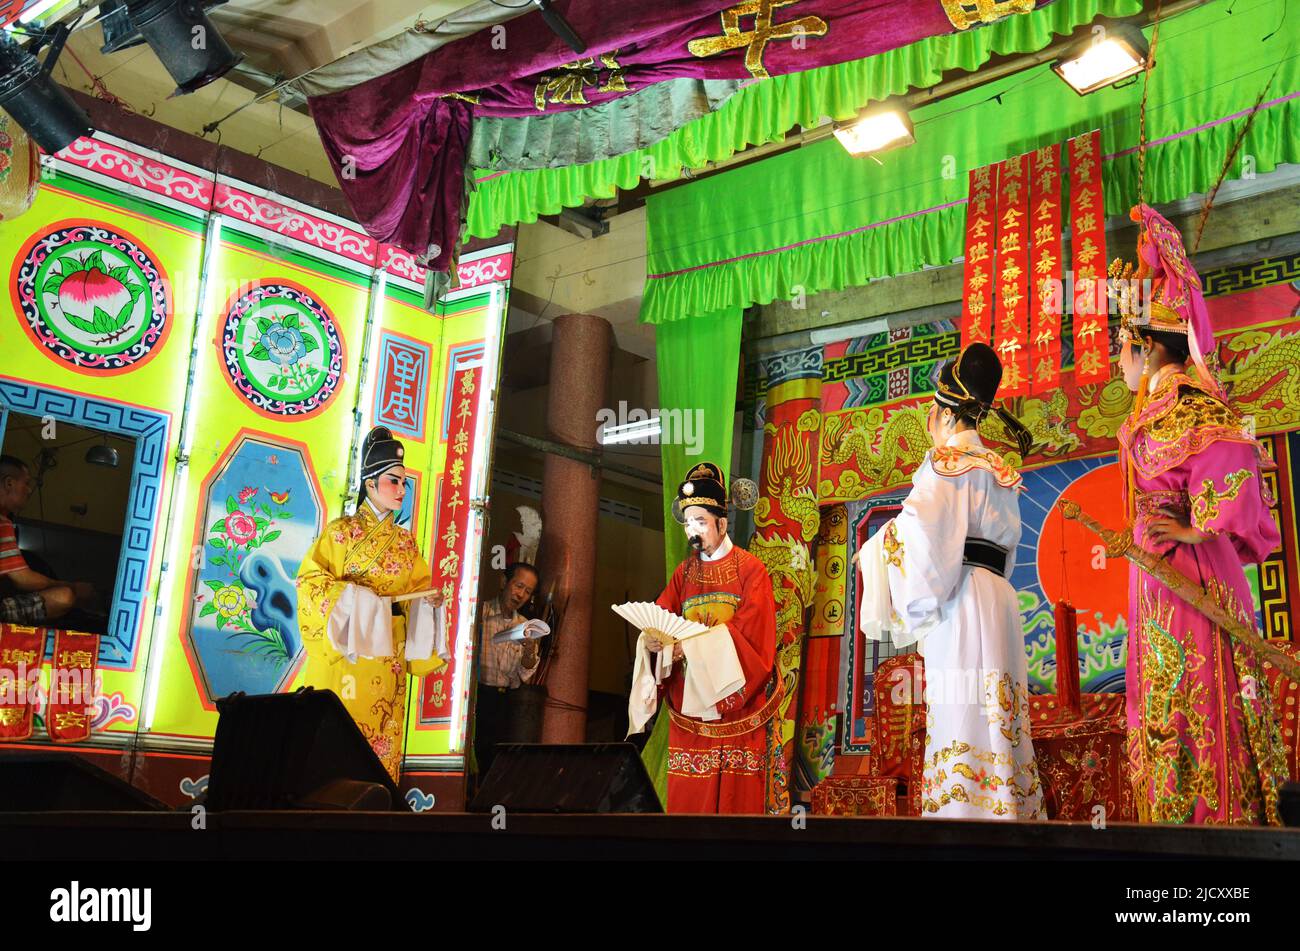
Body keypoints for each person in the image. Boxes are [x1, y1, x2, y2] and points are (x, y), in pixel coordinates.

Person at [1114, 204, 1288, 825]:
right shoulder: (1158, 408)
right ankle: (1179, 816)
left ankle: (1215, 821)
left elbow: (1238, 446)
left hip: (1186, 573)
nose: (1120, 362)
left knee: (1198, 688)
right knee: (1167, 693)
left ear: (1147, 346)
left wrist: (1198, 526)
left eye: (1123, 347)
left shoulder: (1183, 403)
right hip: (1160, 569)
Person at [858, 343, 1044, 820]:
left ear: (943, 414)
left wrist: (878, 547)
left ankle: (963, 820)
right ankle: (1006, 810)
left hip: (961, 605)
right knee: (999, 713)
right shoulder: (1001, 472)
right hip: (999, 603)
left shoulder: (944, 468)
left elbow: (924, 544)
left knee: (962, 712)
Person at [295, 427, 446, 782]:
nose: (401, 490)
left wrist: (428, 603)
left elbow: (416, 594)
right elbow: (310, 583)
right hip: (348, 654)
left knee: (379, 750)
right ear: (370, 483)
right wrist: (358, 601)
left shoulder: (407, 545)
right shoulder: (340, 533)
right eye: (394, 481)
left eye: (404, 483)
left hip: (387, 658)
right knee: (335, 744)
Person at [641, 462, 778, 814]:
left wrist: (691, 645)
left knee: (736, 810)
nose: (693, 531)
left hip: (737, 708)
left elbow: (753, 637)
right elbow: (661, 618)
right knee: (690, 805)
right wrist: (656, 643)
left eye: (701, 521)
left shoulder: (751, 570)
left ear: (722, 522)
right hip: (692, 713)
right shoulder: (683, 573)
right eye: (688, 523)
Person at [0, 455, 95, 625]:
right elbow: (22, 579)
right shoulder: (2, 521)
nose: (29, 490)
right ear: (9, 483)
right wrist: (72, 587)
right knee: (64, 596)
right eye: (26, 483)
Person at [474, 561, 541, 780]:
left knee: (495, 765)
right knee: (470, 756)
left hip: (504, 703)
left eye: (528, 591)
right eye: (518, 585)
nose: (521, 594)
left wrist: (530, 650)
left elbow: (525, 673)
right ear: (504, 581)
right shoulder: (479, 614)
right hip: (475, 697)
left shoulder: (526, 627)